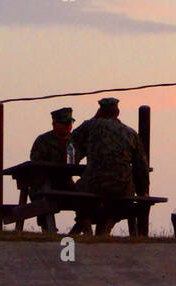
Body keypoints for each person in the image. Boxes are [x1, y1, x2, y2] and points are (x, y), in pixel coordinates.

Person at [68, 98, 149, 235]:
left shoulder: (90, 126)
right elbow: (141, 166)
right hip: (121, 186)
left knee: (77, 193)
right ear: (118, 112)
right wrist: (143, 191)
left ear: (99, 111)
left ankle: (86, 223)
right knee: (120, 200)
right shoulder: (130, 133)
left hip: (93, 184)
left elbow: (71, 145)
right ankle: (105, 226)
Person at [28, 106, 81, 233]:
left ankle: (76, 232)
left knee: (85, 199)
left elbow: (74, 163)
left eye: (70, 122)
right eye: (64, 123)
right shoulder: (43, 141)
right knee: (43, 197)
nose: (68, 126)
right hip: (44, 183)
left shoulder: (72, 142)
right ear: (55, 124)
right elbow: (35, 163)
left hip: (65, 183)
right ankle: (48, 230)